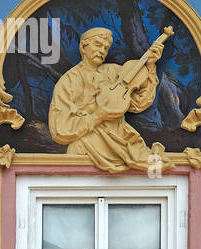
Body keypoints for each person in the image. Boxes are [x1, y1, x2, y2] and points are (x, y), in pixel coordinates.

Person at [48, 27, 165, 173]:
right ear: (83, 47)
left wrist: (150, 66)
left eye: (106, 47)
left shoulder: (115, 72)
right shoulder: (68, 81)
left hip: (123, 140)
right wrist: (97, 116)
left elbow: (140, 103)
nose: (102, 50)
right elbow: (60, 130)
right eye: (98, 45)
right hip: (87, 144)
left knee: (155, 167)